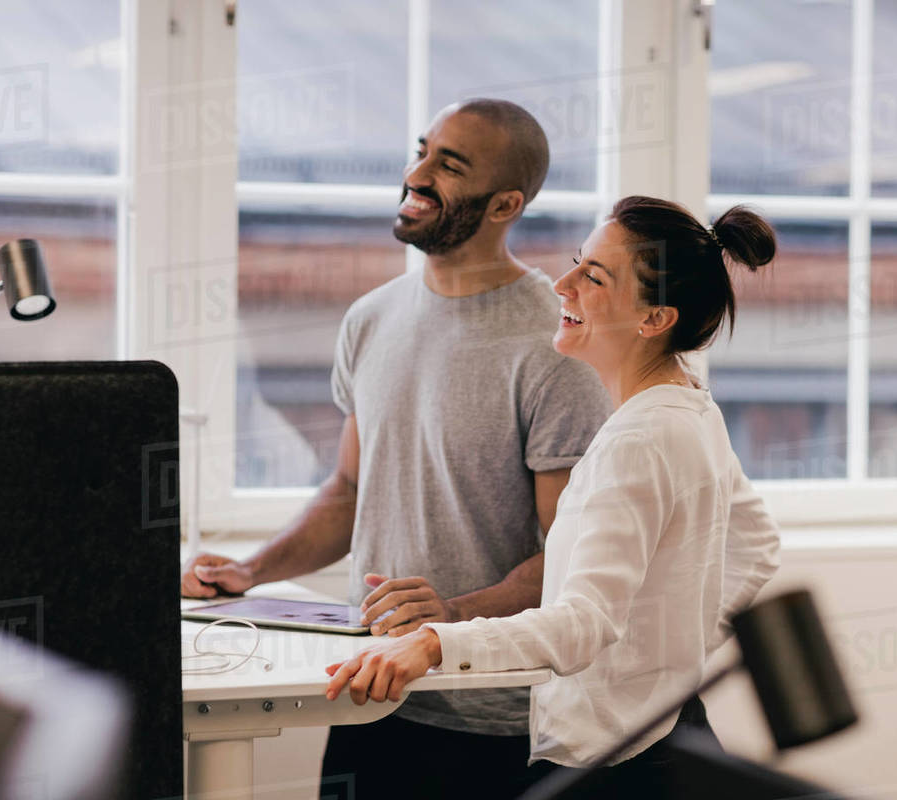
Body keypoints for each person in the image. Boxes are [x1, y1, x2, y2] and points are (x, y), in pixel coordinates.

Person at [180, 99, 612, 799]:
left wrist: (453, 615)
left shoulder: (553, 346)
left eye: (449, 164)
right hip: (370, 693)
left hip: (491, 717)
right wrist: (249, 572)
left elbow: (573, 555)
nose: (417, 173)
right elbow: (351, 491)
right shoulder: (371, 318)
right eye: (422, 150)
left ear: (505, 203)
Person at [324, 195, 783, 794]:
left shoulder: (639, 440)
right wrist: (670, 658)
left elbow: (582, 623)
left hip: (614, 763)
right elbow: (758, 546)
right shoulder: (691, 408)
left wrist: (436, 642)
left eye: (593, 277)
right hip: (661, 730)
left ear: (653, 320)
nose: (562, 284)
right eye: (576, 262)